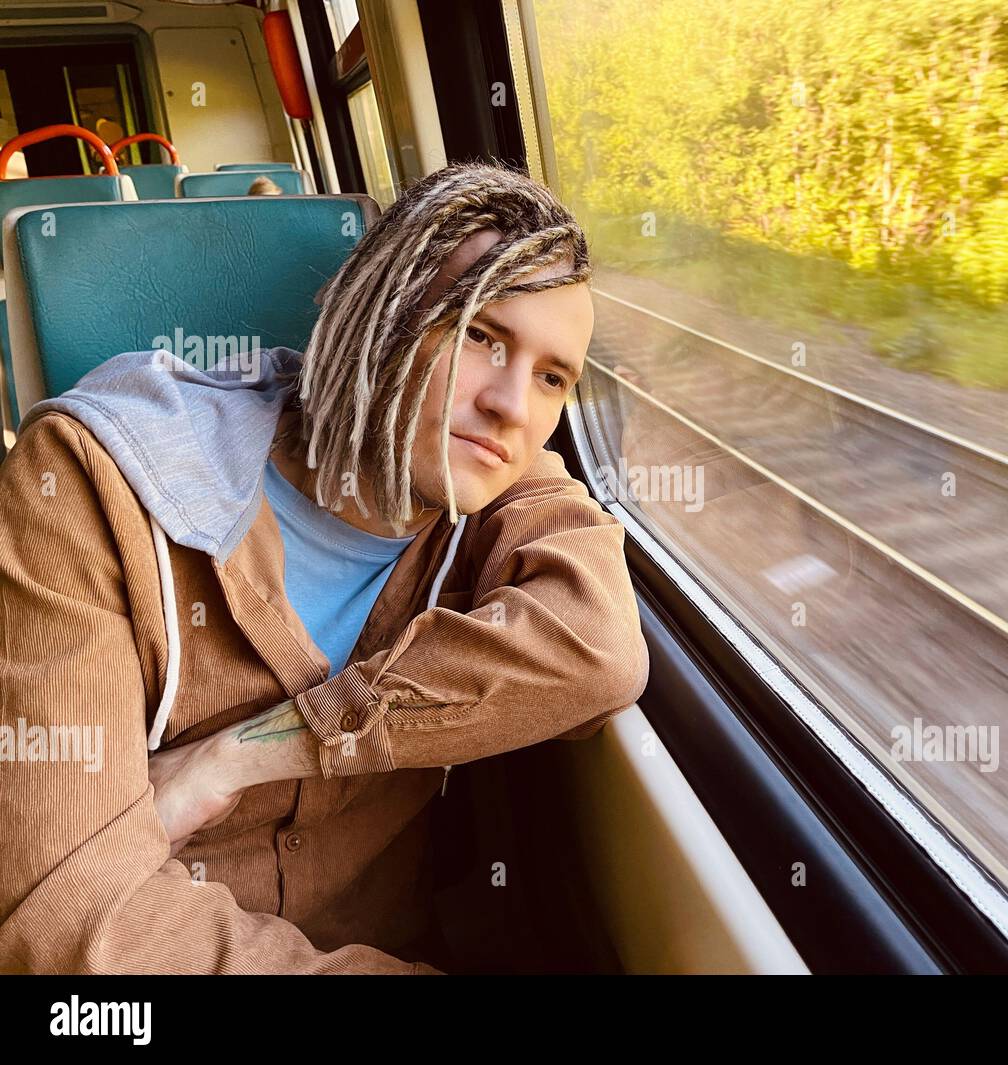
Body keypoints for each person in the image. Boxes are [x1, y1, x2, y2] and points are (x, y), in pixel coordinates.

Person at [0, 161, 649, 973]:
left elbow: (598, 647)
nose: (513, 405)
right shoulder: (90, 483)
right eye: (481, 334)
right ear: (377, 308)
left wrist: (255, 749)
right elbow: (71, 916)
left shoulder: (496, 479)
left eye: (553, 377)